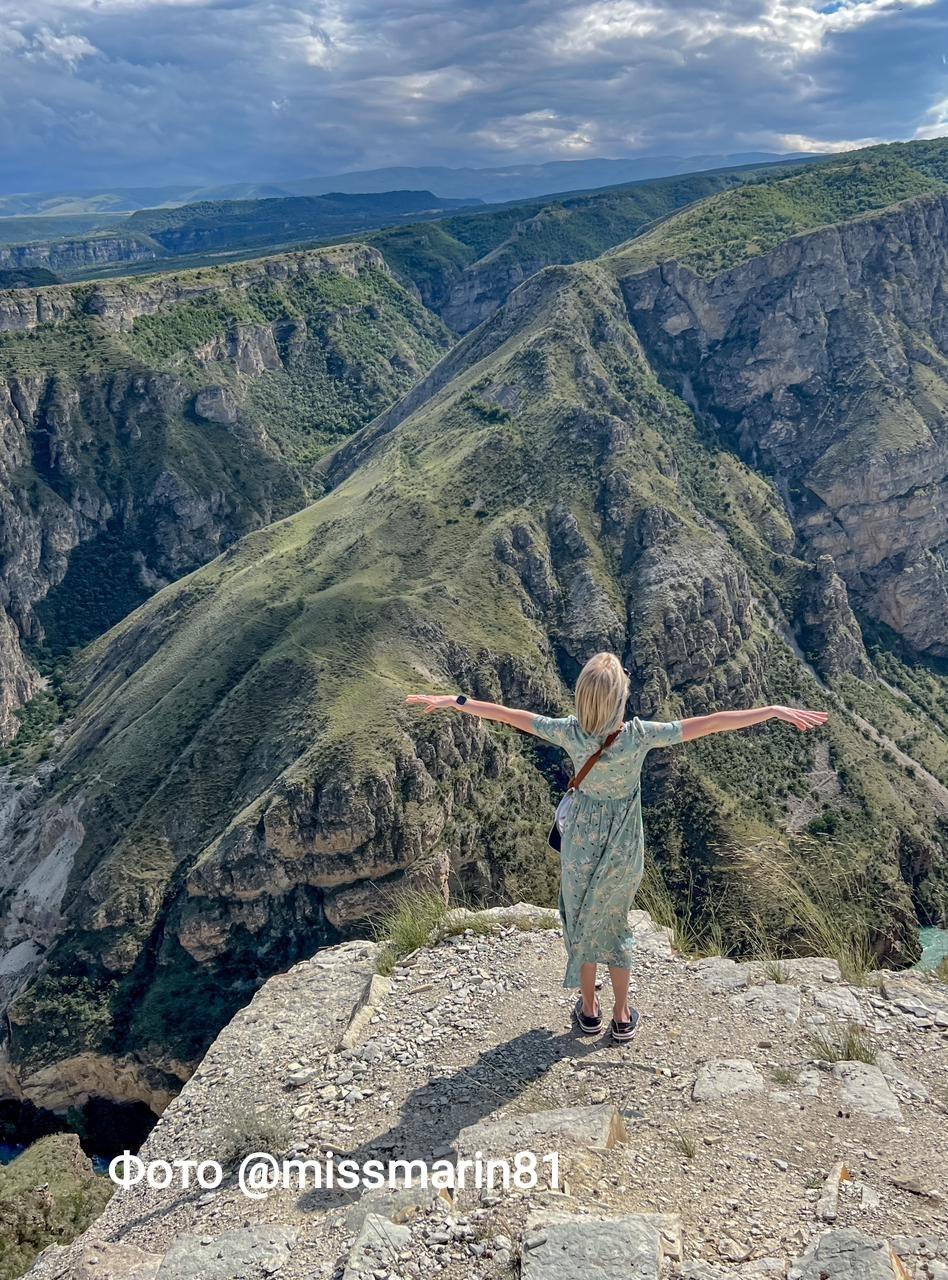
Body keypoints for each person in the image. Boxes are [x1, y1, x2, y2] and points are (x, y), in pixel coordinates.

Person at [406, 651, 828, 1043]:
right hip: (624, 842)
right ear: (619, 700)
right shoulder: (639, 737)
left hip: (580, 843)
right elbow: (712, 722)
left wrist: (457, 701)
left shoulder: (569, 732)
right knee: (615, 921)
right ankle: (622, 1015)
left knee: (584, 921)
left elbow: (510, 716)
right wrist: (770, 711)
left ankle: (589, 1010)